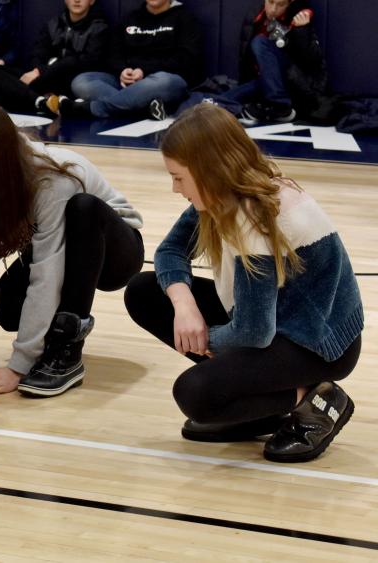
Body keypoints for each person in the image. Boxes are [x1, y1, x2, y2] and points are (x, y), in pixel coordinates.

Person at [124, 104, 362, 463]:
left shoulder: (256, 218)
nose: (175, 189)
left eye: (178, 177)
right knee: (144, 291)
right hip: (274, 320)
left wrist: (207, 339)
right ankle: (262, 403)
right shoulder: (225, 191)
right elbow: (170, 250)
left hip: (318, 343)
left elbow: (253, 333)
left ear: (208, 170)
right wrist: (184, 305)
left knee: (196, 395)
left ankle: (314, 398)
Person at [0, 105, 144, 396]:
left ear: (2, 161)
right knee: (8, 310)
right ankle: (48, 336)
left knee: (82, 208)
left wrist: (18, 366)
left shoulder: (51, 180)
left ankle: (67, 351)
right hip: (56, 247)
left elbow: (47, 276)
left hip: (115, 252)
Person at [53, 0, 203, 120]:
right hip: (126, 81)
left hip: (161, 82)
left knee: (167, 81)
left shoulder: (185, 18)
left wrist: (144, 71)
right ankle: (142, 108)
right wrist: (123, 70)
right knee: (82, 80)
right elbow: (112, 54)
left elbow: (186, 60)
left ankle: (93, 109)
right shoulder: (130, 18)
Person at [0, 0, 109, 115]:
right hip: (41, 79)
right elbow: (37, 54)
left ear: (92, 1)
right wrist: (37, 71)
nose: (76, 0)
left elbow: (81, 62)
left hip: (68, 83)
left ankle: (18, 98)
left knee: (9, 91)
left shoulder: (99, 28)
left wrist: (40, 72)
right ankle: (41, 102)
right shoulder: (53, 24)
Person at [226, 0, 325, 124]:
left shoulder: (299, 16)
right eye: (270, 2)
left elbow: (312, 62)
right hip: (264, 81)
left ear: (290, 3)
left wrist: (301, 30)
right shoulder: (255, 15)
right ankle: (273, 105)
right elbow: (246, 59)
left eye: (280, 5)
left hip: (291, 82)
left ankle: (280, 104)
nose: (273, 9)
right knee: (225, 99)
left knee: (259, 42)